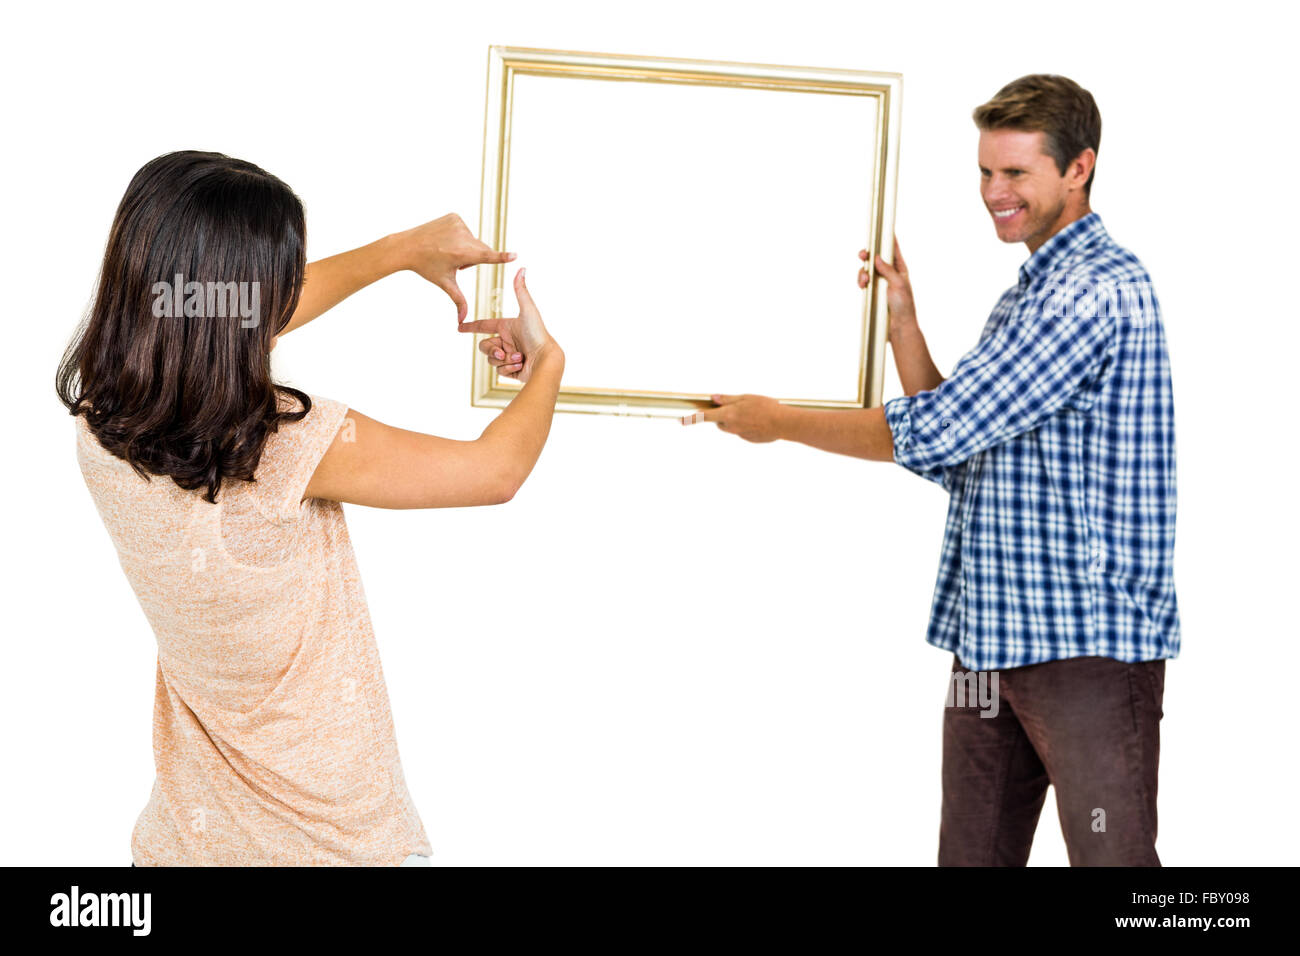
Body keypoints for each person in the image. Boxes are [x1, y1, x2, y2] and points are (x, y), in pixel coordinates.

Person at [668, 74, 1179, 866]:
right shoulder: (1028, 296)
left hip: (1084, 653)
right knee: (968, 858)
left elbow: (939, 428)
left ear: (1078, 168)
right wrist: (904, 322)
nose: (992, 192)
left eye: (1015, 173)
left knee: (1119, 870)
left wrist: (779, 425)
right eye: (984, 171)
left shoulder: (1092, 293)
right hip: (988, 648)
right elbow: (966, 451)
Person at [59, 150, 564, 865]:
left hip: (187, 843)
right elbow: (496, 470)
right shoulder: (287, 446)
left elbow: (208, 312)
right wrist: (548, 366)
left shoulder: (99, 425)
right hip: (329, 845)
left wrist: (400, 252)